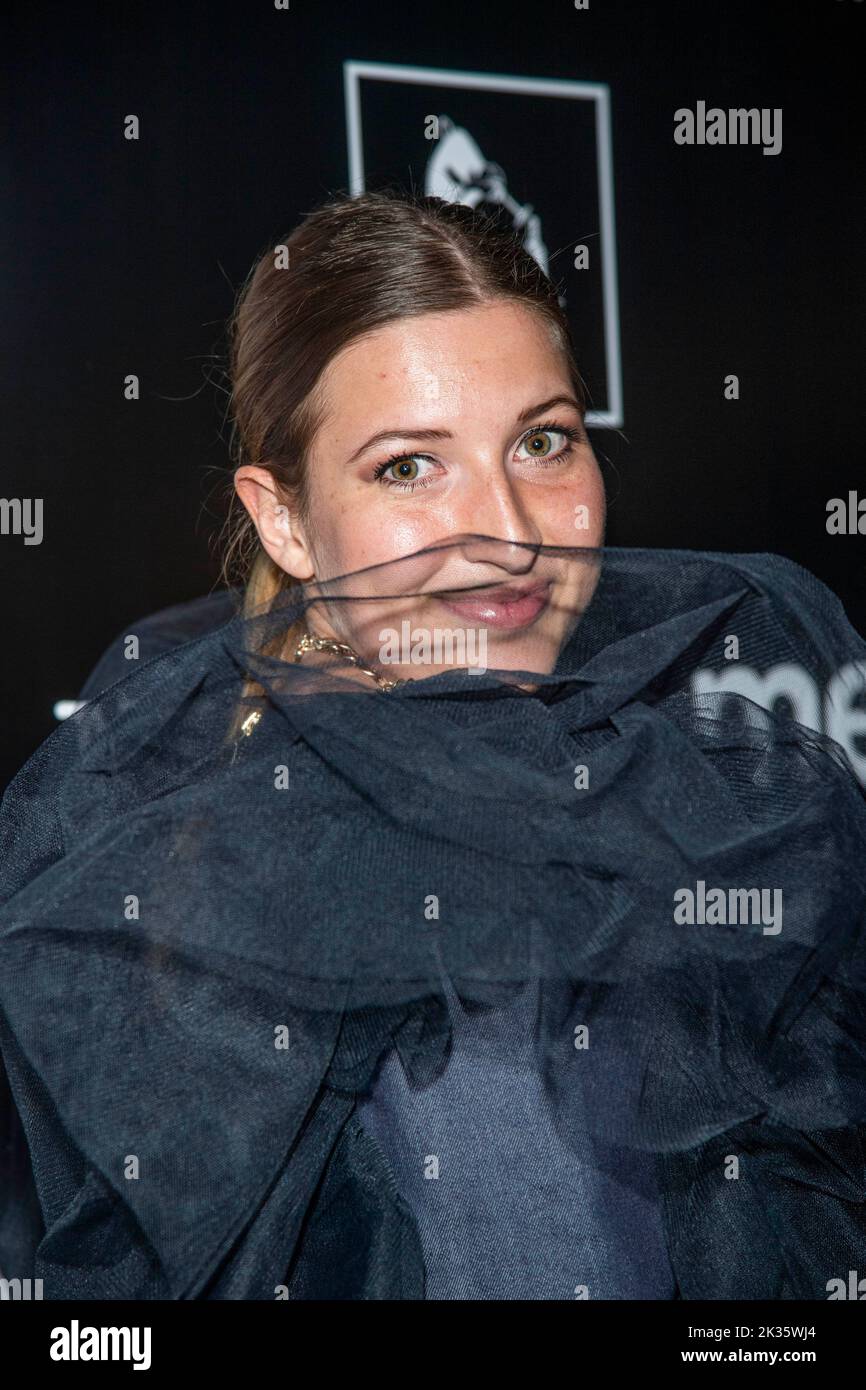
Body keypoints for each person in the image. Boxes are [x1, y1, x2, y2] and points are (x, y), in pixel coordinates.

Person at [1, 190, 865, 1301]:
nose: (506, 535)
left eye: (542, 441)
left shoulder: (713, 818)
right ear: (286, 521)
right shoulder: (157, 897)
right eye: (409, 465)